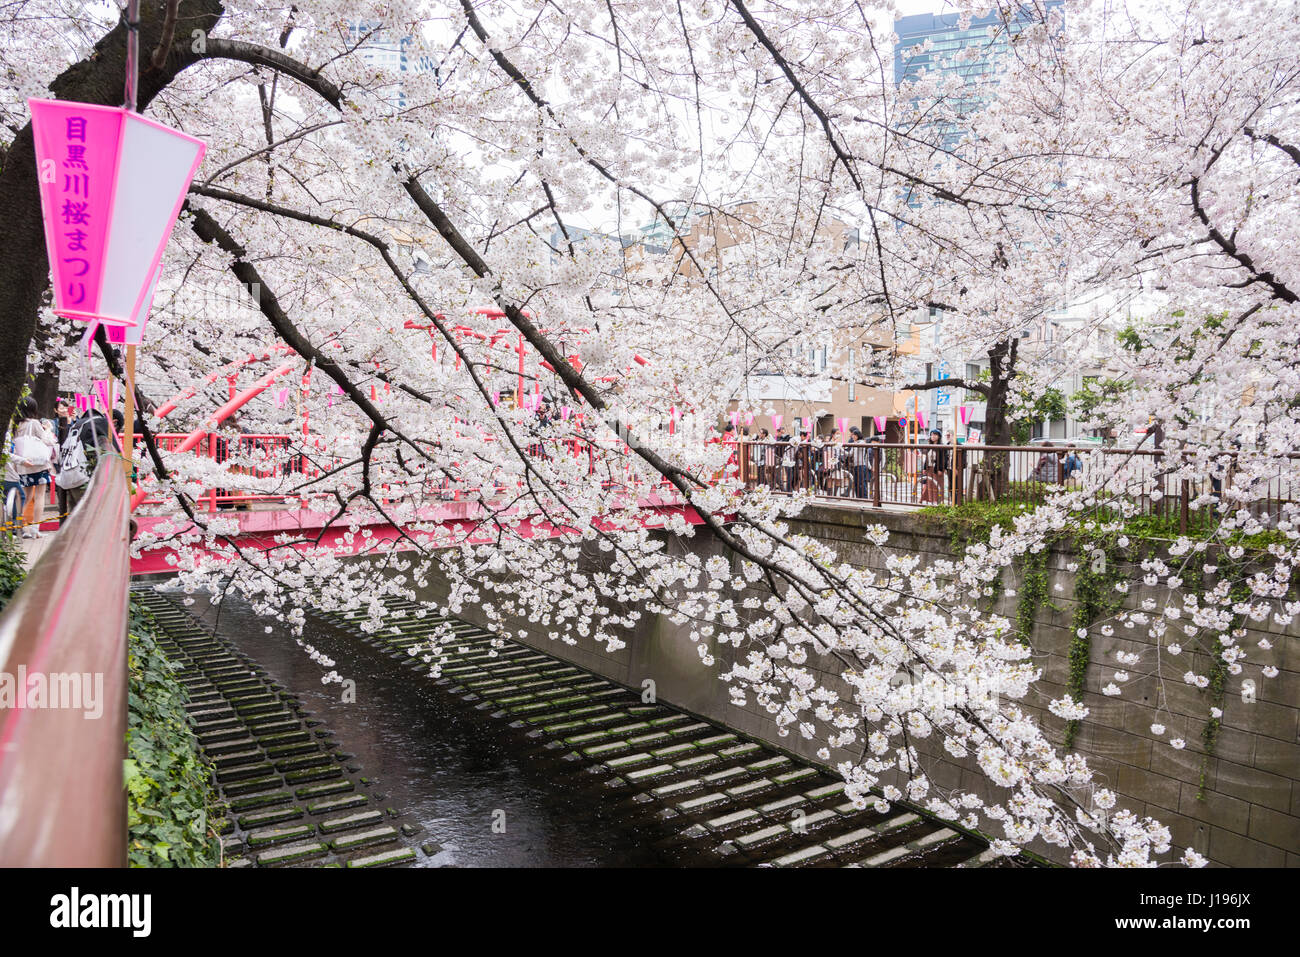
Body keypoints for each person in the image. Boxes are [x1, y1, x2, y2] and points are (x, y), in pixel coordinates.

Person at [919, 428, 950, 504]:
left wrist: (941, 469)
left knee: (938, 485)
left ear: (939, 436)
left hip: (937, 469)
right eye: (932, 434)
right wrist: (924, 468)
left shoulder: (942, 446)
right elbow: (927, 458)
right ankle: (928, 499)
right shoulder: (930, 446)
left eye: (935, 434)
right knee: (928, 485)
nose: (933, 436)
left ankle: (938, 501)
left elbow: (944, 459)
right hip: (929, 468)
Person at [846, 427, 870, 499]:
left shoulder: (861, 442)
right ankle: (858, 497)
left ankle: (864, 497)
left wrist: (854, 444)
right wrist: (840, 449)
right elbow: (849, 454)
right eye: (852, 435)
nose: (852, 436)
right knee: (856, 482)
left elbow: (861, 447)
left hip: (861, 465)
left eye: (854, 435)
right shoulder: (855, 443)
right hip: (856, 465)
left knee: (861, 482)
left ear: (857, 435)